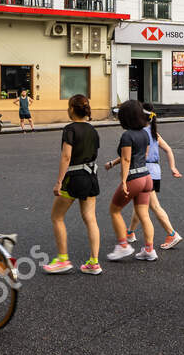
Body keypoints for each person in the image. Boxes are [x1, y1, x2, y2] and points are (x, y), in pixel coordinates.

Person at [43, 94, 103, 275]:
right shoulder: (93, 131)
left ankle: (62, 259)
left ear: (71, 109)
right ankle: (94, 262)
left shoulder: (69, 129)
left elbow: (66, 157)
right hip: (91, 176)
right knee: (90, 219)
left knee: (57, 217)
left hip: (74, 177)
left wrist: (59, 181)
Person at [126, 102, 183, 250]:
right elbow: (169, 149)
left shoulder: (139, 133)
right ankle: (130, 233)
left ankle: (172, 233)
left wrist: (115, 164)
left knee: (154, 206)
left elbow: (130, 155)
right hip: (155, 171)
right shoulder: (153, 132)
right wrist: (172, 167)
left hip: (144, 171)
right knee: (140, 204)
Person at [106, 99, 157, 261]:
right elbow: (142, 155)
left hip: (134, 177)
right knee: (144, 214)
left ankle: (123, 245)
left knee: (114, 210)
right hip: (146, 177)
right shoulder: (144, 133)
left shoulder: (127, 135)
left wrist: (123, 181)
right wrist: (113, 163)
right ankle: (149, 250)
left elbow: (127, 159)